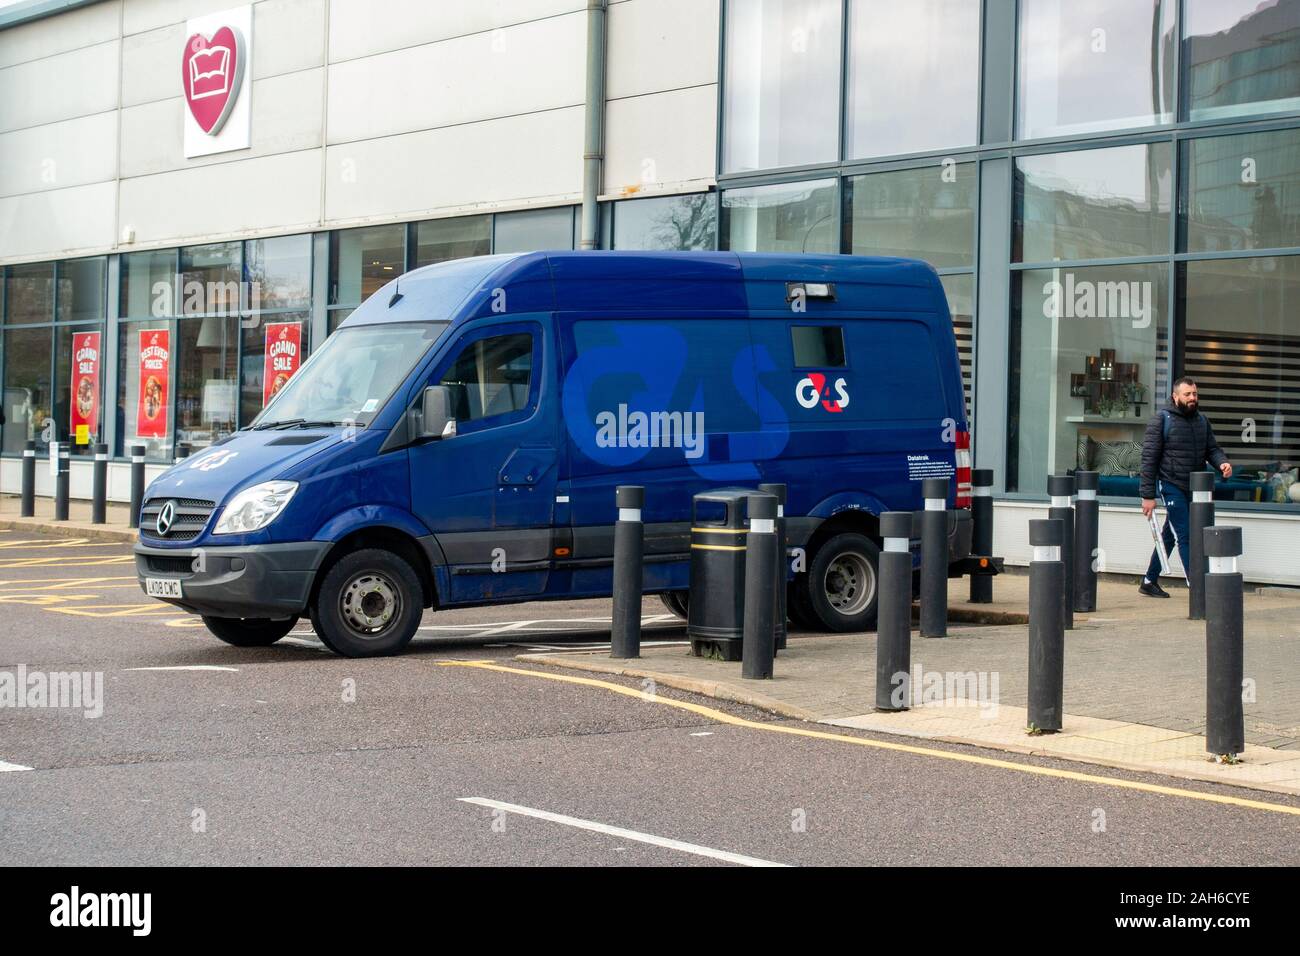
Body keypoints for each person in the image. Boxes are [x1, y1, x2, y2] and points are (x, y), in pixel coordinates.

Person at [1138, 377, 1232, 597]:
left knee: (1170, 534)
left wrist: (1222, 463)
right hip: (1171, 483)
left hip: (1194, 487)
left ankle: (1149, 580)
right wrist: (1147, 496)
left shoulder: (1201, 420)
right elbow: (1149, 459)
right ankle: (1198, 587)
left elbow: (1212, 449)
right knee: (1186, 534)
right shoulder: (1161, 420)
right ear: (1175, 396)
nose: (1192, 398)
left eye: (1195, 394)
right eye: (1187, 394)